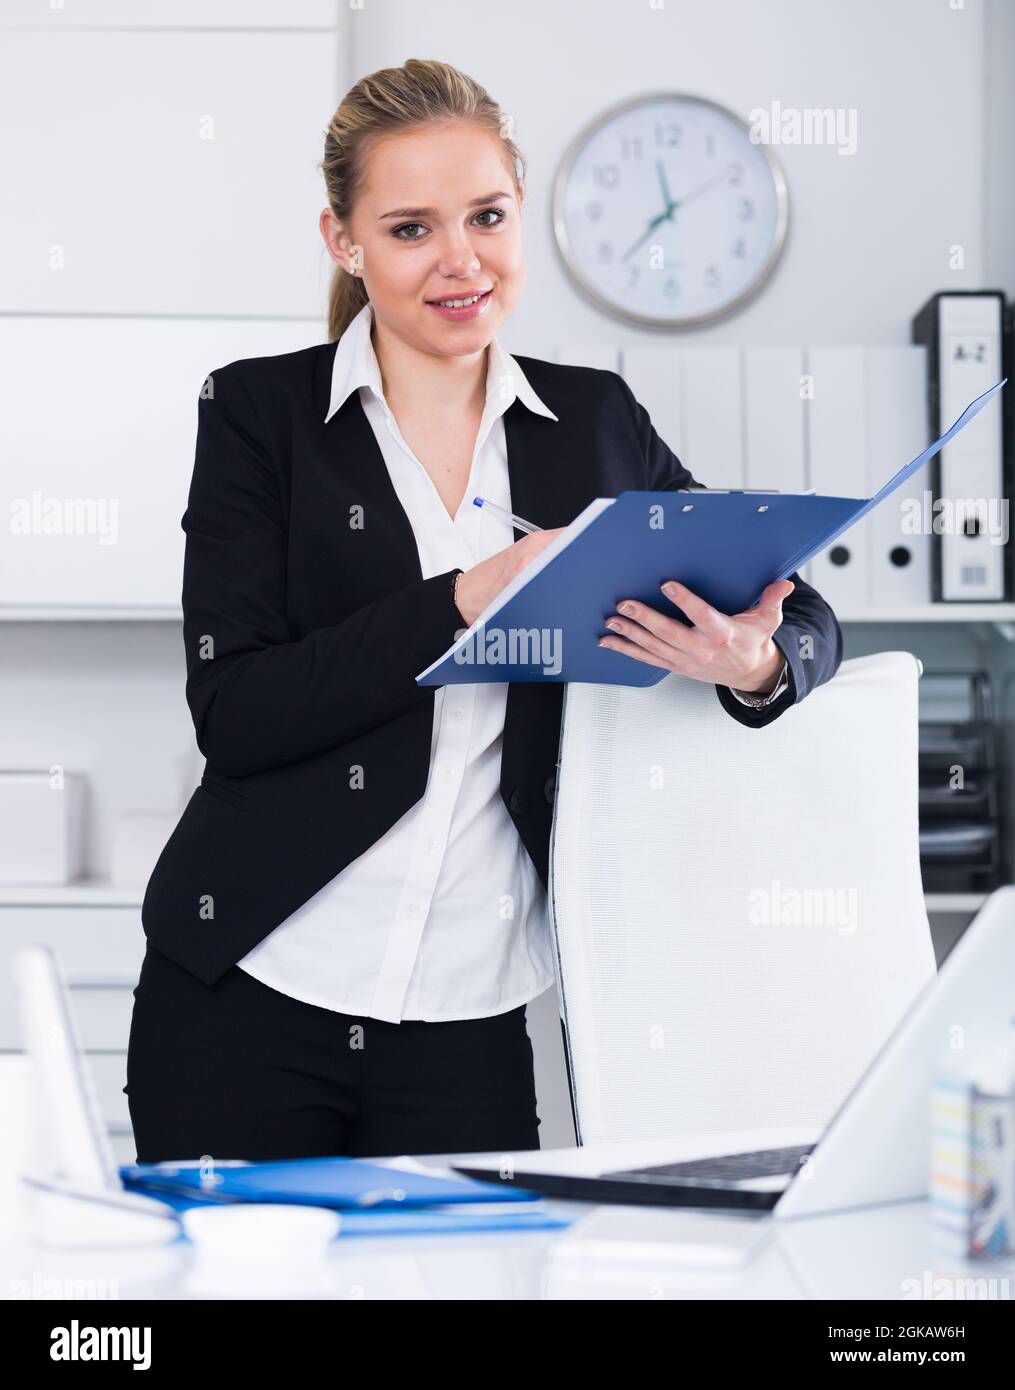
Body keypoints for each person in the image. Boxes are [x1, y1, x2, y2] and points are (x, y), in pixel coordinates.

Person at [126, 58, 842, 1164]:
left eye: (487, 216)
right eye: (410, 228)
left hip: (469, 1016)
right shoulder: (258, 414)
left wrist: (751, 660)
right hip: (249, 988)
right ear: (343, 241)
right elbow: (239, 707)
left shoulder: (592, 424)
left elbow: (806, 618)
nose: (461, 260)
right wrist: (465, 595)